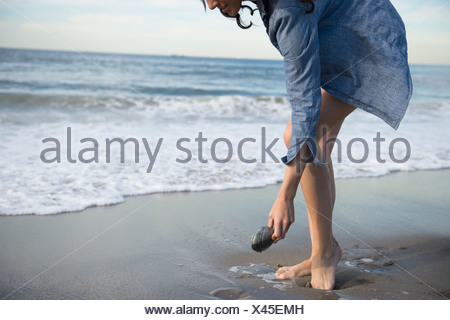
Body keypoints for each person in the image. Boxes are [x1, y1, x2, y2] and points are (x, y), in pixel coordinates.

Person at [201, 0, 412, 289]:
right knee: (317, 147)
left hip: (370, 43)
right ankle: (323, 252)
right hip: (353, 33)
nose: (211, 5)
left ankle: (324, 253)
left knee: (301, 136)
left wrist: (285, 196)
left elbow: (305, 105)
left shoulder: (288, 10)